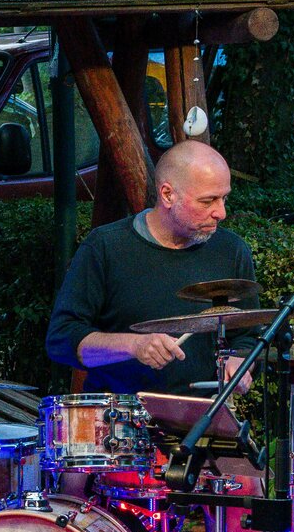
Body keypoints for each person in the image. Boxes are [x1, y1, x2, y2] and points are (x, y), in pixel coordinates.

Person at [44, 139, 258, 394]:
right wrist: (134, 346)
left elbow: (247, 336)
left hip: (203, 411)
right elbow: (62, 338)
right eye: (208, 201)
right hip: (119, 412)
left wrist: (240, 361)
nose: (221, 213)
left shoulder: (231, 251)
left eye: (224, 198)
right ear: (168, 195)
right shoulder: (106, 246)